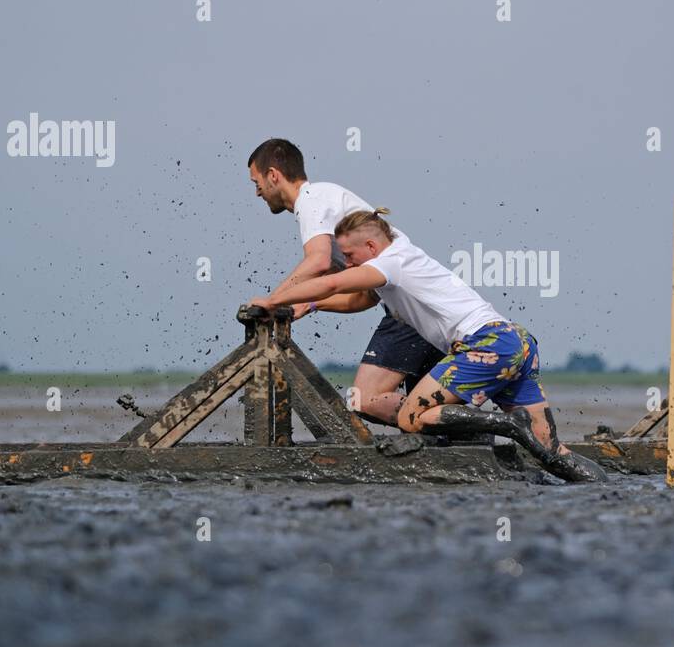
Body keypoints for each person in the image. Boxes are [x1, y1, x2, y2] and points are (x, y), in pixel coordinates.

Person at [251, 207, 606, 483]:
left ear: (371, 247)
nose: (346, 263)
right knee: (552, 451)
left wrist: (273, 299)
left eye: (349, 255)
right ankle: (602, 492)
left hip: (485, 345)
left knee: (411, 417)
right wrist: (306, 305)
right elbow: (355, 298)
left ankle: (507, 426)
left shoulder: (392, 262)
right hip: (516, 341)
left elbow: (333, 284)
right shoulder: (400, 256)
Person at [245, 138, 443, 425]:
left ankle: (456, 423)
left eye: (256, 182)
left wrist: (271, 300)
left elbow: (318, 261)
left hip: (409, 313)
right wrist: (309, 304)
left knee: (362, 400)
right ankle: (465, 429)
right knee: (427, 410)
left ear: (273, 175)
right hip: (425, 307)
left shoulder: (311, 199)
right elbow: (364, 298)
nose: (257, 193)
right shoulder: (329, 203)